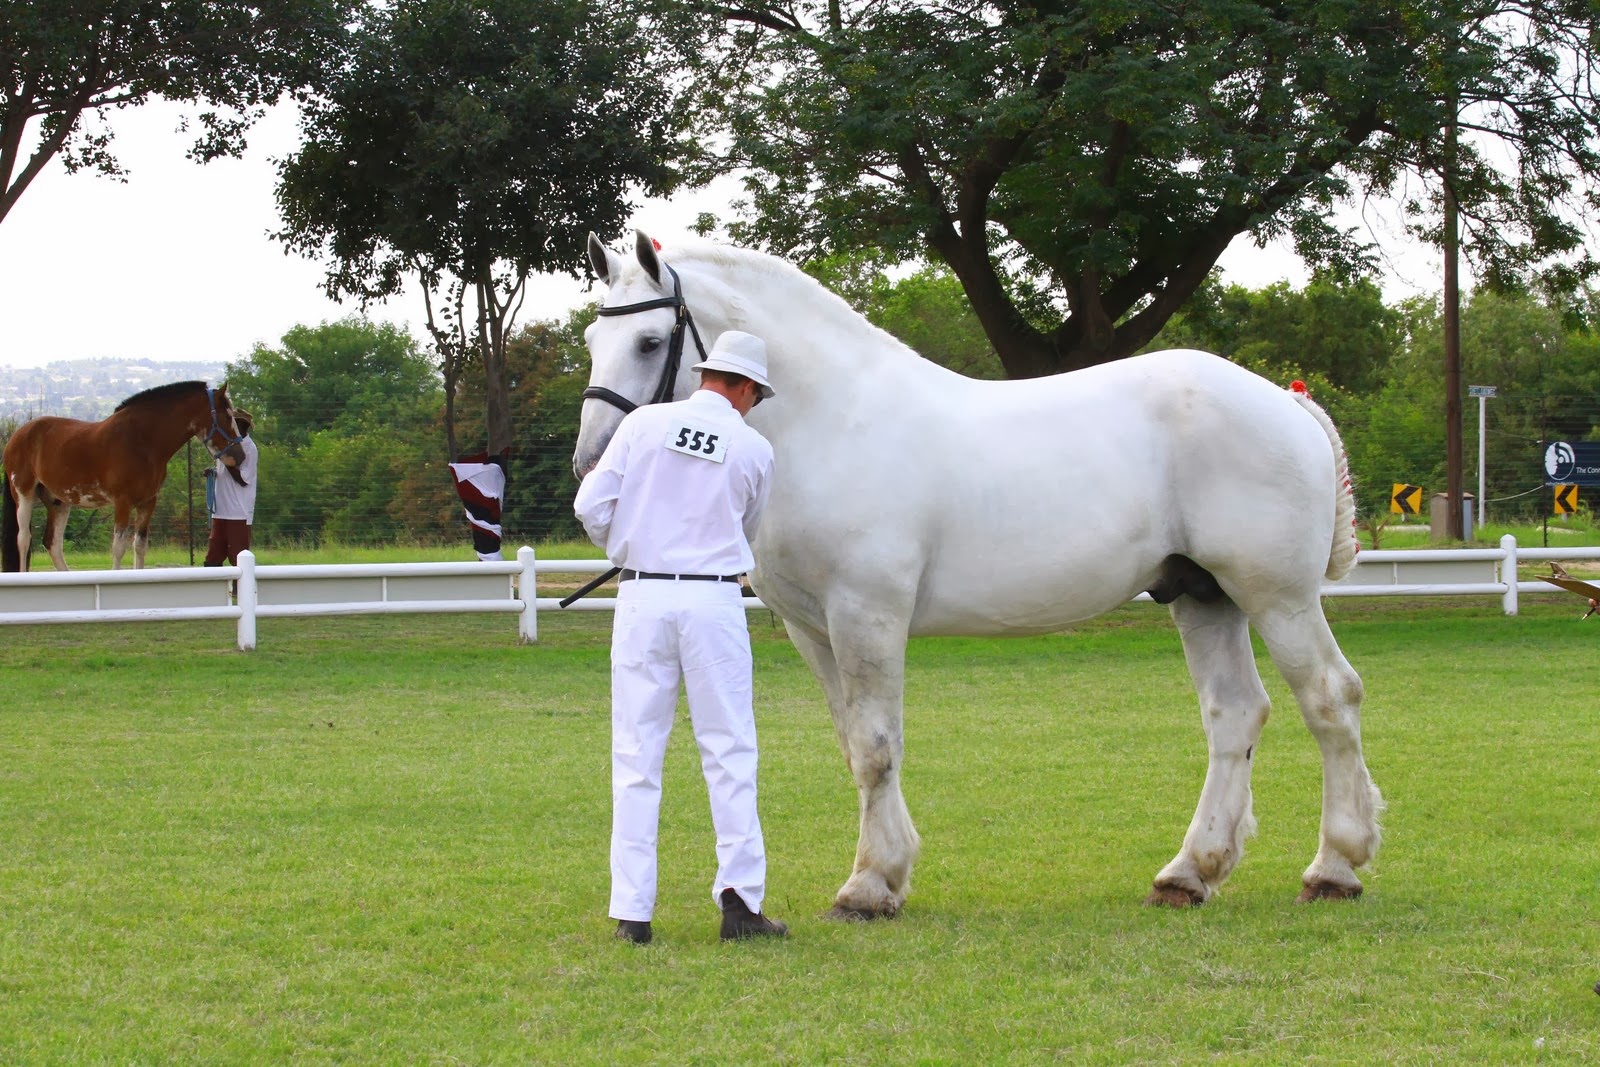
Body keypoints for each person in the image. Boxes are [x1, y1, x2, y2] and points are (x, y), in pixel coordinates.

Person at [573, 330, 786, 945]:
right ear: (743, 387)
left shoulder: (642, 425)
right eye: (756, 395)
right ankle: (740, 906)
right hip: (714, 598)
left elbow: (592, 504)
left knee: (637, 756)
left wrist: (626, 542)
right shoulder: (754, 449)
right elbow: (747, 522)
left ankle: (632, 914)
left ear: (707, 376)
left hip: (642, 596)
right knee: (729, 752)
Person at [204, 409, 258, 567]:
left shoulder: (249, 448)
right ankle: (212, 589)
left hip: (238, 511)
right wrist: (214, 472)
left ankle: (241, 591)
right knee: (214, 554)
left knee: (238, 556)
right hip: (221, 509)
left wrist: (226, 461)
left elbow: (242, 479)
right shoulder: (228, 445)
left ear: (242, 426)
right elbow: (225, 470)